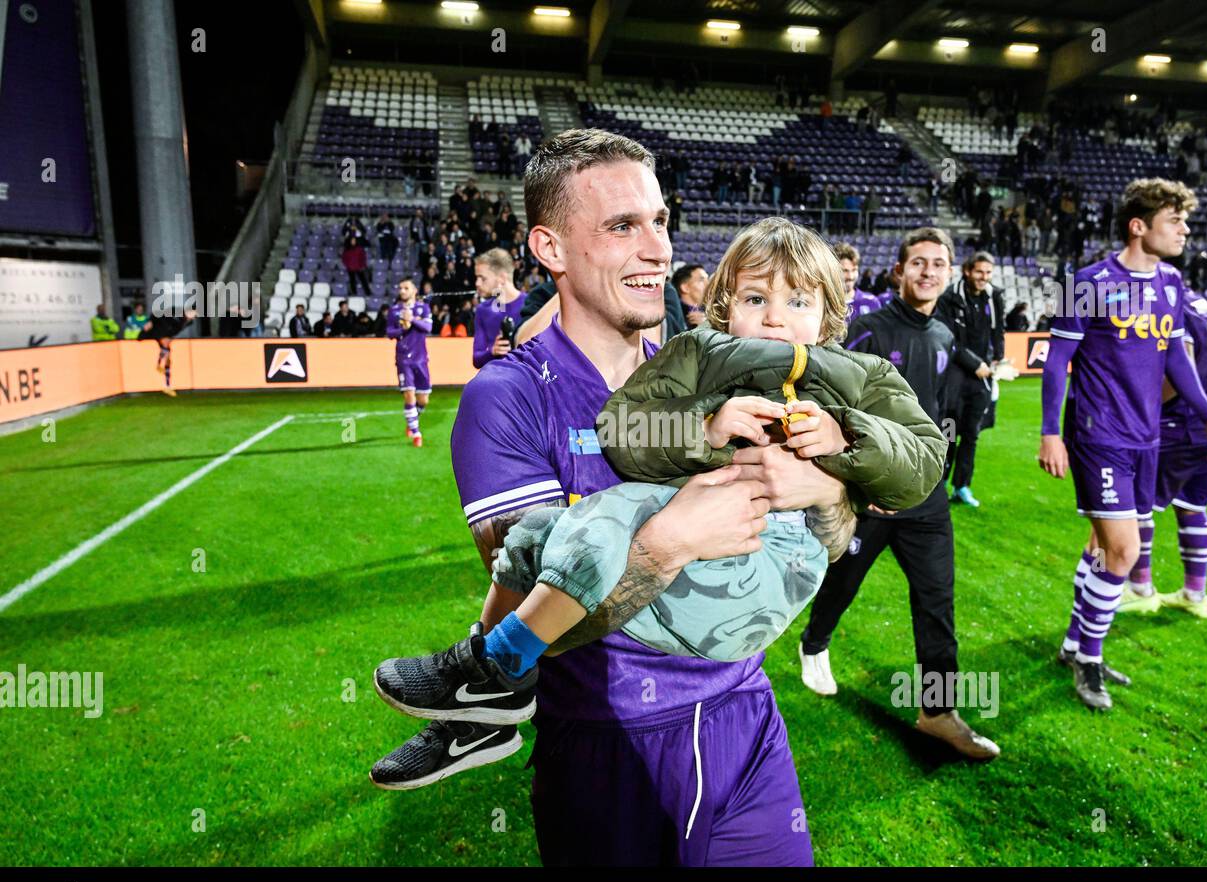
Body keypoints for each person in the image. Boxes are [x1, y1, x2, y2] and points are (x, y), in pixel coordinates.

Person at [367, 128, 857, 866]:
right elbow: (544, 614)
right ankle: (483, 695)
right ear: (551, 249)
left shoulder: (707, 370)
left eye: (660, 221)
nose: (658, 248)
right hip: (613, 741)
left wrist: (826, 483)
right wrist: (674, 540)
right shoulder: (507, 400)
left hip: (748, 716)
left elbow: (842, 517)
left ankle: (475, 704)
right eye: (623, 225)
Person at [371, 217, 945, 782]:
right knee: (533, 538)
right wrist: (707, 430)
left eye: (798, 302)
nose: (775, 317)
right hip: (686, 571)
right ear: (722, 304)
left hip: (768, 571)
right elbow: (624, 433)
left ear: (828, 315)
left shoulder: (861, 375)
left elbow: (923, 461)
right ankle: (488, 700)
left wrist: (847, 445)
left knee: (604, 516)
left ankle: (495, 668)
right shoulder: (698, 353)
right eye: (754, 297)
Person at [798, 228, 1001, 761]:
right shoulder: (867, 329)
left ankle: (938, 711)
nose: (928, 272)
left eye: (938, 264)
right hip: (870, 495)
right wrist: (858, 478)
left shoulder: (943, 336)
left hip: (926, 497)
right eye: (918, 263)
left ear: (949, 273)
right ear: (899, 272)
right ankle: (814, 643)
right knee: (842, 580)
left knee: (937, 601)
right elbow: (828, 397)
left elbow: (939, 414)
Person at [1037, 178, 1207, 711]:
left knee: (1102, 547)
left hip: (1148, 437)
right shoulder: (1087, 282)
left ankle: (1074, 643)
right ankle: (1090, 662)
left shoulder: (1171, 282)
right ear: (1139, 226)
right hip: (1099, 435)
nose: (1185, 230)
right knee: (1123, 550)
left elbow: (1176, 360)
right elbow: (1057, 363)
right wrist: (1050, 432)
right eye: (1175, 221)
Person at [1116, 285, 1207, 619]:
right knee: (1191, 504)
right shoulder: (1198, 300)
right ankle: (1194, 595)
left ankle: (1140, 588)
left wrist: (1140, 408)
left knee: (1132, 503)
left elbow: (1179, 368)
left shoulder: (1166, 304)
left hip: (1187, 423)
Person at [936, 251, 1004, 507]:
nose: (983, 277)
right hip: (955, 376)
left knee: (972, 435)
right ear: (967, 271)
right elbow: (947, 339)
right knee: (949, 432)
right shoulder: (949, 297)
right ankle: (939, 483)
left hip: (982, 378)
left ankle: (962, 486)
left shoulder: (994, 295)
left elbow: (999, 330)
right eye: (979, 272)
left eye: (988, 273)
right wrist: (974, 363)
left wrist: (998, 357)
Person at [387, 277, 434, 447]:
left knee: (423, 400)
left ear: (414, 290)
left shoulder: (423, 308)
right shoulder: (394, 310)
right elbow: (389, 333)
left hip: (421, 359)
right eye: (400, 288)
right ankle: (416, 434)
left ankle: (412, 420)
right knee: (409, 395)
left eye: (406, 288)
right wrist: (402, 329)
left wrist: (412, 319)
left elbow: (428, 328)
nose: (402, 291)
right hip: (403, 358)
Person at [472, 248, 526, 369]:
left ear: (501, 278)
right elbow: (476, 358)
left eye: (482, 278)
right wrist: (492, 351)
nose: (477, 283)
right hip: (496, 381)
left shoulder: (531, 305)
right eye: (477, 278)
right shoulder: (482, 310)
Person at [140, 307, 194, 397]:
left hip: (165, 335)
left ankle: (167, 384)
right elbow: (157, 312)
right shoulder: (176, 312)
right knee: (166, 351)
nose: (193, 317)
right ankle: (159, 365)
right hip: (156, 332)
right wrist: (150, 321)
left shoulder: (188, 322)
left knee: (168, 359)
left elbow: (175, 330)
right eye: (193, 314)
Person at [833, 243, 880, 323]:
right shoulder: (823, 305)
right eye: (845, 271)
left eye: (854, 270)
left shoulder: (872, 302)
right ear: (833, 271)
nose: (850, 277)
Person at [672, 263, 708, 328]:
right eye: (701, 280)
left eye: (707, 279)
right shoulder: (673, 315)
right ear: (685, 288)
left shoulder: (710, 315)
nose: (708, 284)